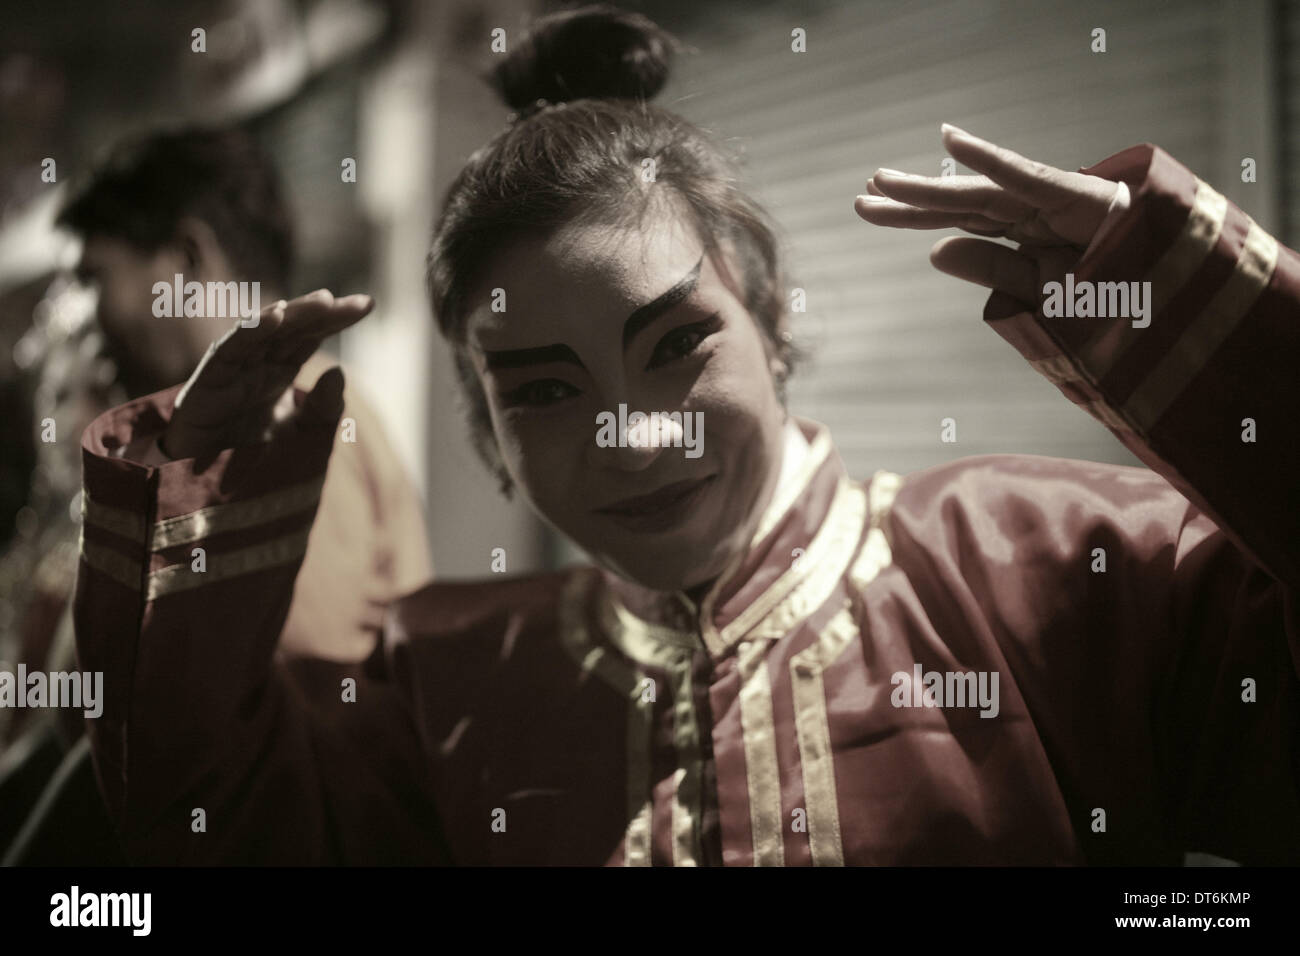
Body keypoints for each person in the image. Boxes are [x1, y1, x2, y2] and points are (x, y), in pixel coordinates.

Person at [73, 6, 1298, 865]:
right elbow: (195, 834)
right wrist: (197, 520)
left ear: (768, 323)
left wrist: (1221, 331)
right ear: (489, 438)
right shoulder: (435, 679)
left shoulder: (1044, 561)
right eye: (542, 390)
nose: (631, 434)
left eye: (675, 345)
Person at [2, 125, 434, 865]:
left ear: (188, 257)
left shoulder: (286, 421)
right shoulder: (218, 430)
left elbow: (262, 709)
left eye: (94, 276)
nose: (84, 316)